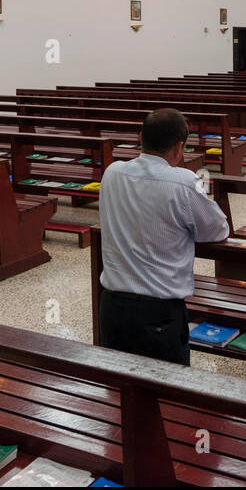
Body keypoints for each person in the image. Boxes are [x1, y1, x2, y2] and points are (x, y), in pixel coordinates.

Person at [97, 107, 229, 365]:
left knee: (119, 390)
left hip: (112, 306)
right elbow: (217, 230)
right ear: (179, 147)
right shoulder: (183, 181)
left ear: (140, 138)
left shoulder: (112, 172)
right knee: (167, 395)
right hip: (157, 313)